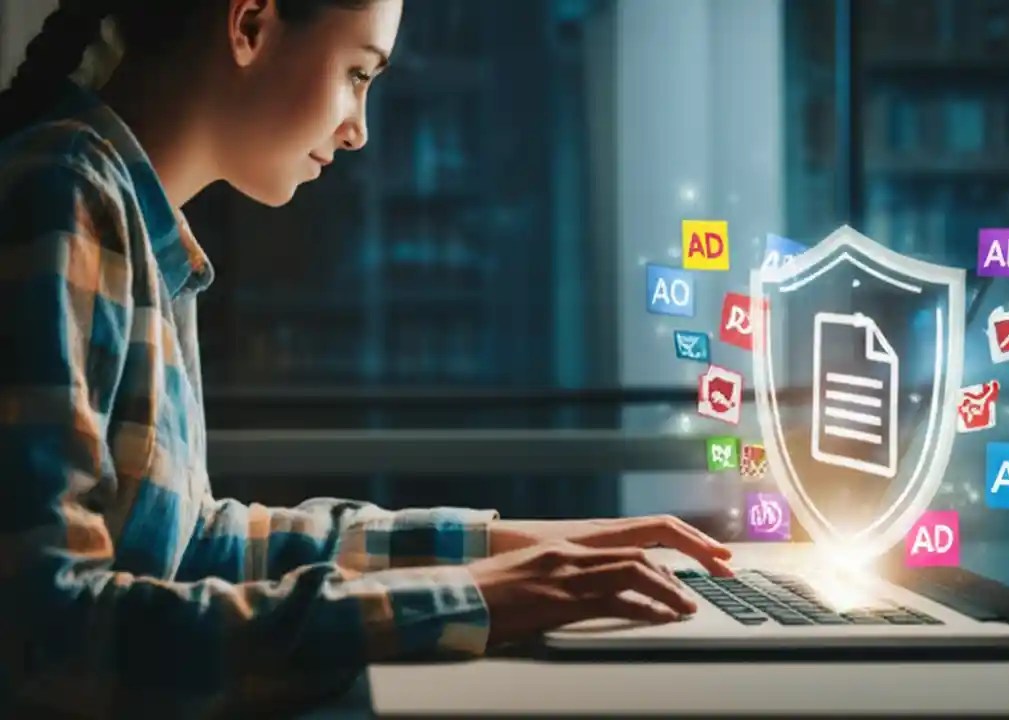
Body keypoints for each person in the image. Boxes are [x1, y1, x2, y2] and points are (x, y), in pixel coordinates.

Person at [0, 1, 733, 717]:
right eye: (358, 73)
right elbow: (51, 637)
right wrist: (471, 597)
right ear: (249, 25)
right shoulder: (63, 197)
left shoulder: (131, 219)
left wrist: (521, 548)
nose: (359, 132)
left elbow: (191, 543)